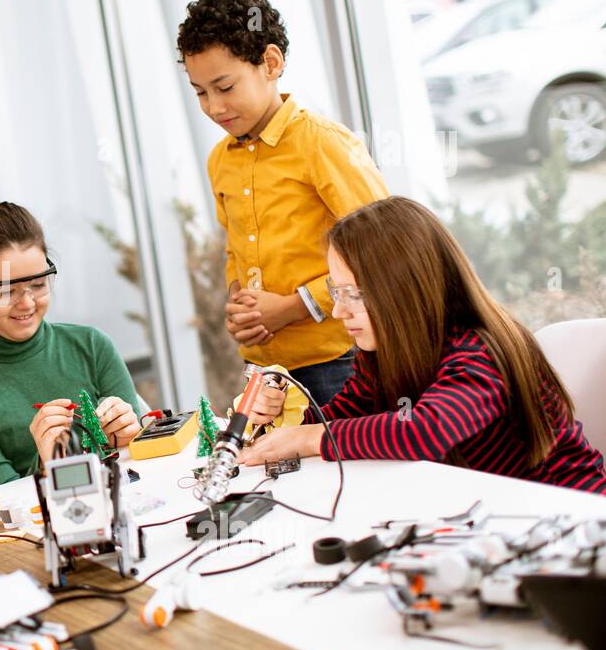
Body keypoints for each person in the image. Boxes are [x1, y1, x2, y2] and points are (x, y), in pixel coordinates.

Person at [239, 197, 605, 493]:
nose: (338, 309)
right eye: (337, 292)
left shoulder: (479, 351)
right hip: (491, 515)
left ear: (404, 292)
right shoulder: (382, 354)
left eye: (353, 294)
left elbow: (424, 431)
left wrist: (310, 436)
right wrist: (282, 412)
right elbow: (335, 422)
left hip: (573, 519)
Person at [177, 0, 389, 404]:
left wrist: (295, 306)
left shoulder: (322, 143)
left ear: (270, 63)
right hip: (265, 370)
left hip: (338, 361)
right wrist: (241, 304)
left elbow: (383, 251)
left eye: (225, 87)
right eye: (200, 92)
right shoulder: (220, 159)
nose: (214, 107)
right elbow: (235, 251)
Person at [0, 199, 142, 491]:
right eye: (7, 290)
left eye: (38, 284)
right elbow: (1, 502)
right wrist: (46, 465)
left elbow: (138, 456)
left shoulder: (92, 346)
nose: (27, 303)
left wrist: (130, 433)